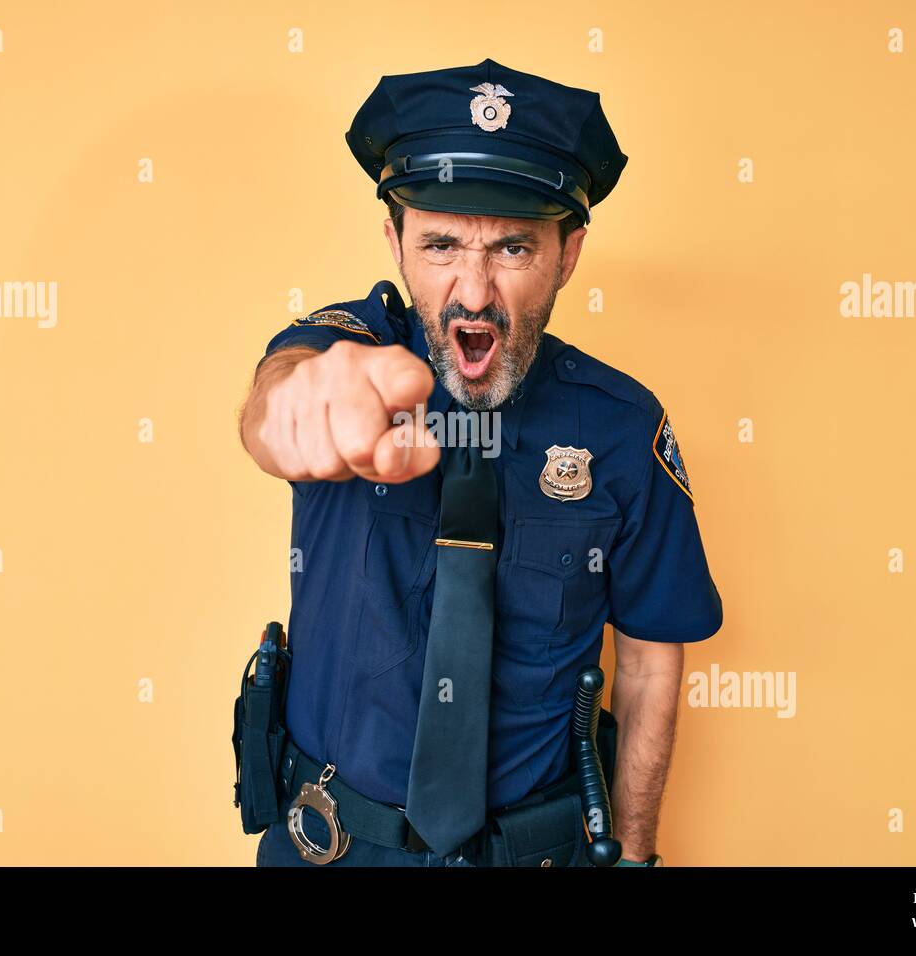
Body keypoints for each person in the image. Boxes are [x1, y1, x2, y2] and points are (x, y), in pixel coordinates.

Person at [239, 58, 722, 867]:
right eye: (439, 244)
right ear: (393, 241)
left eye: (511, 248)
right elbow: (278, 398)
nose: (472, 291)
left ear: (567, 256)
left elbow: (646, 663)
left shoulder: (623, 429)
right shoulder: (341, 353)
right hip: (332, 847)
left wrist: (635, 859)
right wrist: (293, 406)